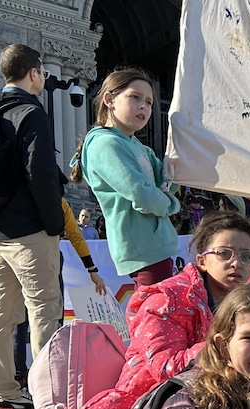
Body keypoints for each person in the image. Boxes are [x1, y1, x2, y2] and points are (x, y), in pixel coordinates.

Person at [64, 212, 250, 409]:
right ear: (202, 260)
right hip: (154, 403)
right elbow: (165, 367)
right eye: (224, 253)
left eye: (247, 256)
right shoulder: (167, 298)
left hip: (221, 401)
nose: (236, 262)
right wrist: (229, 347)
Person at [0, 44, 67, 409]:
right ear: (33, 72)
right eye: (43, 72)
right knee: (43, 311)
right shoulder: (31, 112)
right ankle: (49, 395)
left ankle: (4, 392)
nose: (45, 78)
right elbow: (42, 175)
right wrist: (55, 225)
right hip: (30, 230)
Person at [72, 67, 180, 288]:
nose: (144, 106)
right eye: (135, 97)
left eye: (149, 102)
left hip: (156, 245)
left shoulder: (138, 146)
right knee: (157, 317)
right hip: (142, 248)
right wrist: (171, 204)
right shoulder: (105, 143)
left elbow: (168, 183)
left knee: (161, 316)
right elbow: (141, 194)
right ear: (109, 100)